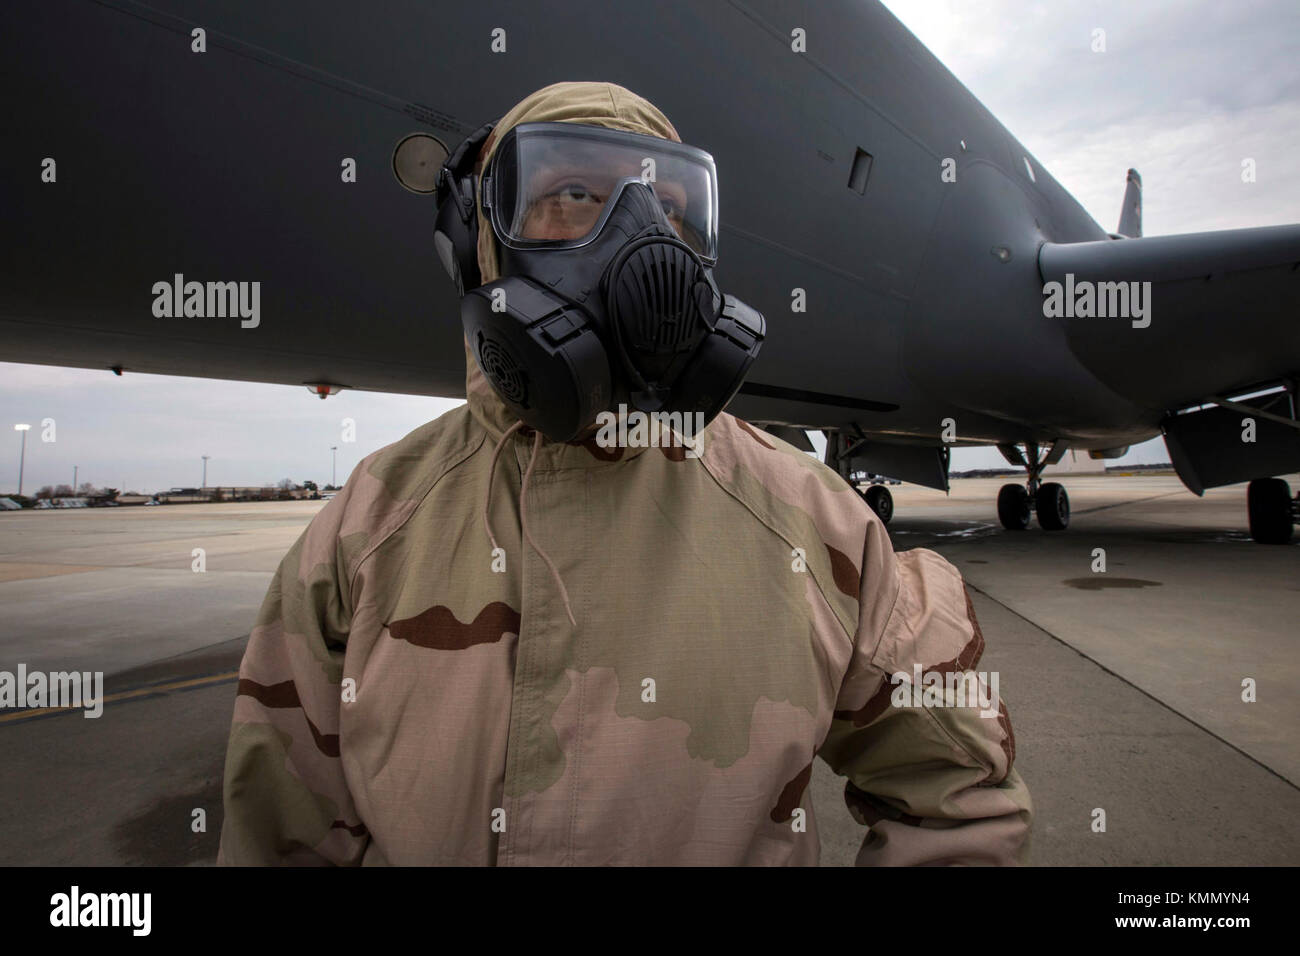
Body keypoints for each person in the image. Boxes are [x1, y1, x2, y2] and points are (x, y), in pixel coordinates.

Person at [217, 81, 1031, 866]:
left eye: (668, 210)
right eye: (572, 193)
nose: (639, 238)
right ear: (482, 245)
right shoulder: (370, 526)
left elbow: (958, 798)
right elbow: (278, 835)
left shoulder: (815, 521)